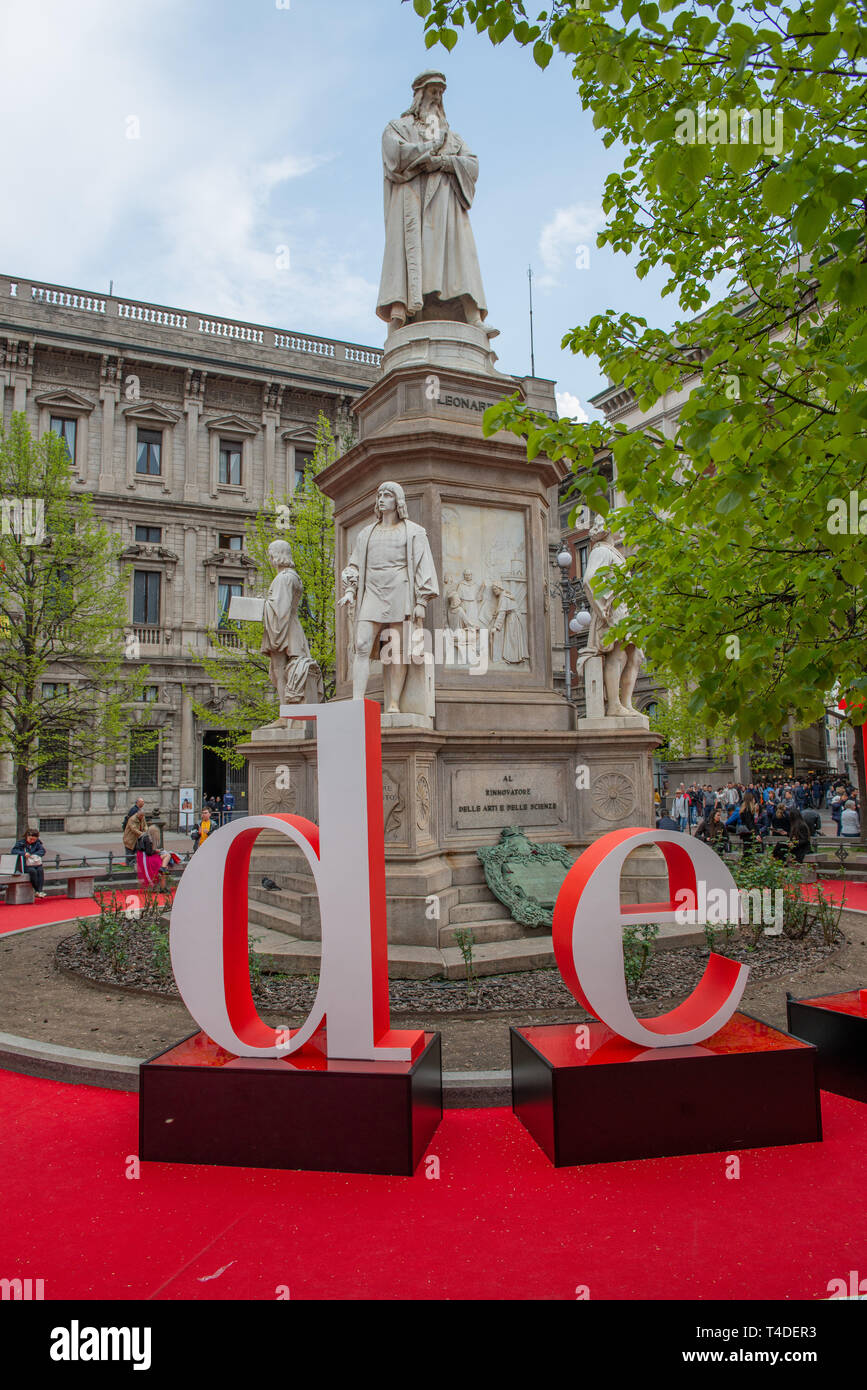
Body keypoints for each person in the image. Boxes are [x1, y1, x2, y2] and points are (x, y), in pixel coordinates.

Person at [12, 829, 47, 897]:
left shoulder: (37, 843)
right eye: (31, 839)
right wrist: (24, 853)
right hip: (25, 864)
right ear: (27, 836)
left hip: (35, 863)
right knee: (32, 871)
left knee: (40, 870)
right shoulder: (21, 843)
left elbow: (42, 851)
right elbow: (14, 851)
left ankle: (39, 890)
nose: (32, 841)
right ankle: (37, 890)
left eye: (34, 839)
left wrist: (34, 854)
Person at [122, 796, 145, 867]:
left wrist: (146, 831)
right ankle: (129, 865)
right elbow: (133, 828)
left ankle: (133, 864)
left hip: (135, 836)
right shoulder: (134, 814)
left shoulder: (140, 813)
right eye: (142, 802)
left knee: (135, 849)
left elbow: (144, 825)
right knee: (130, 850)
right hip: (130, 836)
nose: (143, 803)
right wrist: (142, 833)